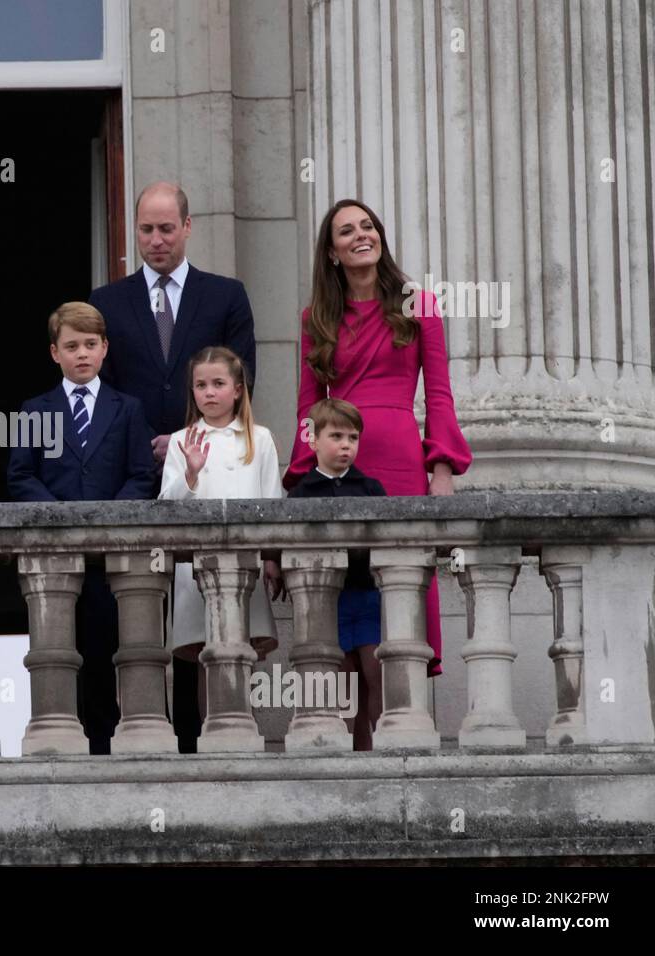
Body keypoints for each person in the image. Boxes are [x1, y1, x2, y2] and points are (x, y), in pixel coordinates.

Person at [89, 181, 258, 752]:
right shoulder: (107, 303)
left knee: (195, 602)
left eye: (166, 228)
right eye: (145, 229)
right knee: (130, 607)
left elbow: (241, 377)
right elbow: (101, 391)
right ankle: (123, 735)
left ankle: (193, 737)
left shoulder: (225, 295)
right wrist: (147, 447)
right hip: (133, 477)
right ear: (133, 230)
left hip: (204, 471)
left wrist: (189, 438)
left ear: (188, 227)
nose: (156, 239)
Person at [283, 200, 472, 676]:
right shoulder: (315, 319)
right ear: (332, 252)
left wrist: (442, 469)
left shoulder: (419, 304)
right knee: (346, 596)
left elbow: (439, 395)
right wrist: (304, 478)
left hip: (401, 460)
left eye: (367, 226)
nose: (360, 235)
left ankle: (405, 718)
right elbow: (308, 407)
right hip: (342, 463)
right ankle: (353, 740)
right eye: (346, 231)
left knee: (403, 580)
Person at [6, 302, 155, 753]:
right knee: (55, 655)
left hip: (110, 558)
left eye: (91, 344)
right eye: (72, 346)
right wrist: (60, 517)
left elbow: (142, 475)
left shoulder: (127, 408)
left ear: (105, 348)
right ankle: (61, 747)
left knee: (106, 652)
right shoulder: (35, 409)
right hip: (55, 558)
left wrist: (107, 518)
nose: (82, 354)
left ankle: (106, 752)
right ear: (55, 353)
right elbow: (20, 475)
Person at [159, 346, 284, 724]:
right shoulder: (182, 440)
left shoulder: (259, 439)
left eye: (218, 383)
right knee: (205, 656)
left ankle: (243, 731)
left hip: (247, 565)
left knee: (241, 652)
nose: (209, 393)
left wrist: (273, 557)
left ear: (238, 389)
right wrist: (191, 474)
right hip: (195, 568)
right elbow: (167, 506)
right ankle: (212, 738)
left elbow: (273, 503)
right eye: (200, 385)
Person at [287, 398, 387, 750]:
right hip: (330, 602)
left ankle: (381, 750)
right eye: (337, 436)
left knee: (376, 674)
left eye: (353, 438)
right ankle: (346, 756)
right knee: (343, 682)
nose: (346, 445)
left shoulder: (371, 490)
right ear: (312, 441)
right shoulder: (300, 494)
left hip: (368, 595)